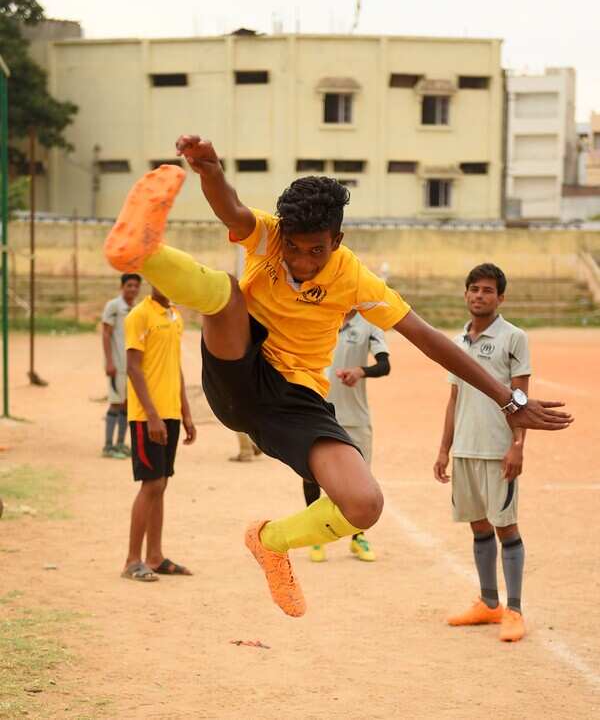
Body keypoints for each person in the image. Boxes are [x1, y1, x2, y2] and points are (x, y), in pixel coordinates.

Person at [104, 136, 571, 616]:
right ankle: (143, 252)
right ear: (281, 233)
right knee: (225, 292)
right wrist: (210, 171)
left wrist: (508, 399)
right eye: (294, 248)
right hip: (239, 368)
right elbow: (233, 212)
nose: (303, 263)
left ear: (338, 242)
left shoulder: (354, 278)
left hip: (297, 399)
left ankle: (270, 541)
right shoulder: (267, 237)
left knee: (364, 504)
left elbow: (427, 337)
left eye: (316, 251)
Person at [434, 264, 530, 642]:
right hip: (465, 451)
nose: (479, 295)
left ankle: (515, 610)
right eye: (473, 289)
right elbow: (454, 397)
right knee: (477, 525)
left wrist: (517, 445)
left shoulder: (514, 338)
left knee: (506, 527)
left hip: (497, 450)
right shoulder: (457, 343)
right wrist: (444, 449)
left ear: (500, 298)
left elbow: (521, 398)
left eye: (487, 290)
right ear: (465, 294)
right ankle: (489, 603)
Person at [121, 285, 197, 582]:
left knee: (161, 483)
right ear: (152, 280)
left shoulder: (175, 315)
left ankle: (155, 556)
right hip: (146, 416)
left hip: (170, 413)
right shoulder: (139, 316)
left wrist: (186, 412)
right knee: (151, 484)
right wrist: (152, 416)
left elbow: (175, 367)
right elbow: (133, 368)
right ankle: (131, 560)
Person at [303, 309, 390, 563]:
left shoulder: (370, 325)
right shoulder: (319, 316)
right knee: (310, 474)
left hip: (356, 417)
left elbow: (384, 365)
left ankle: (358, 537)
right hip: (318, 411)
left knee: (360, 480)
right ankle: (315, 535)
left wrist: (361, 371)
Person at [101, 273, 141, 459]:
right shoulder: (114, 307)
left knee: (127, 404)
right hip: (117, 365)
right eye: (129, 285)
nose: (132, 289)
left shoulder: (137, 309)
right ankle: (108, 446)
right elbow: (106, 334)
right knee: (115, 403)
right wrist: (109, 362)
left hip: (131, 367)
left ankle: (120, 443)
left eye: (135, 286)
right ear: (122, 287)